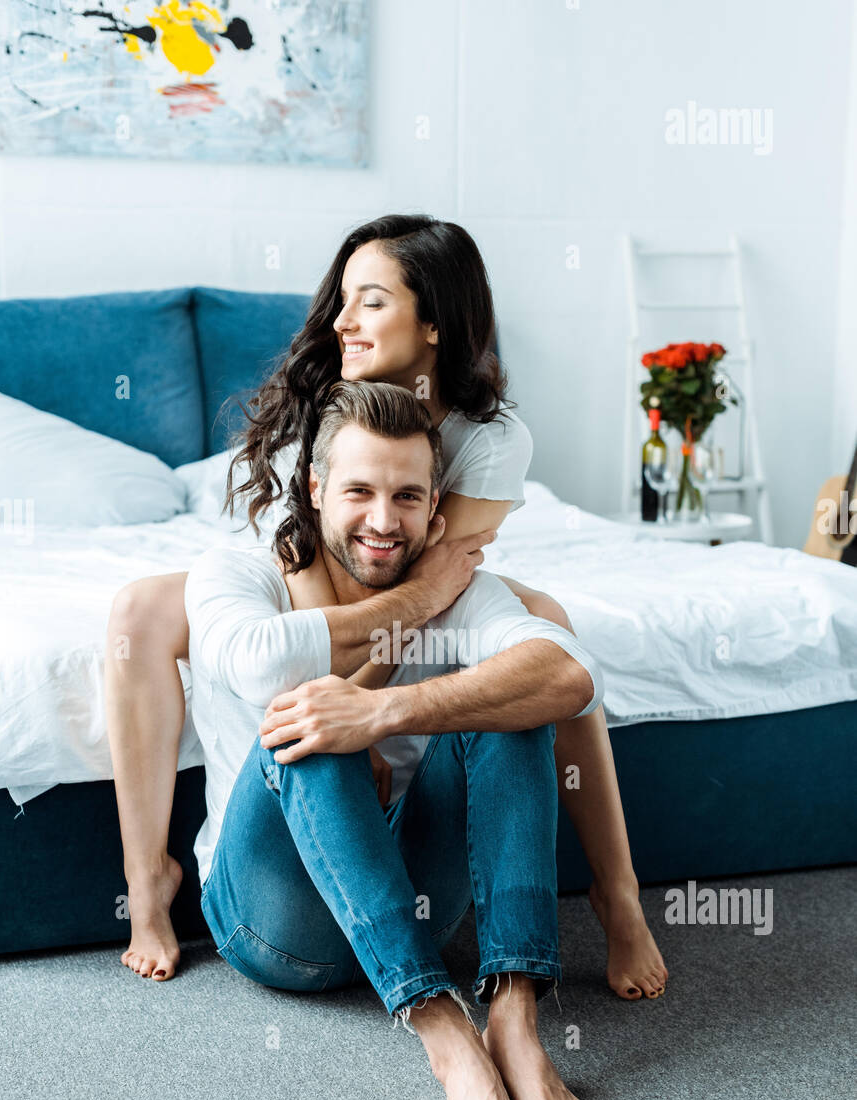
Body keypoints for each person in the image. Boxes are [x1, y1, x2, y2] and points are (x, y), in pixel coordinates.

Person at [107, 213, 667, 1001]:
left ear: (433, 321)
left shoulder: (489, 434)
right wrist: (350, 711)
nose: (341, 320)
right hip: (312, 570)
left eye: (369, 302)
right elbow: (315, 566)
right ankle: (148, 878)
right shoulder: (315, 404)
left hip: (405, 584)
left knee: (545, 636)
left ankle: (616, 893)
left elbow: (439, 578)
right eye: (343, 300)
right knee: (139, 612)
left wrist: (372, 713)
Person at [186, 380, 610, 1100]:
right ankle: (447, 1035)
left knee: (510, 700)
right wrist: (413, 604)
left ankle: (515, 1018)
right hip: (277, 928)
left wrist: (383, 711)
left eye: (406, 496)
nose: (384, 521)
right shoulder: (233, 571)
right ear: (314, 490)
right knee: (307, 720)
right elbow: (257, 662)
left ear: (434, 507)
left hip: (416, 894)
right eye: (359, 491)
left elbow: (568, 674)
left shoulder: (466, 591)